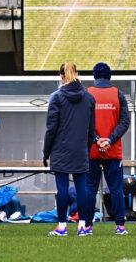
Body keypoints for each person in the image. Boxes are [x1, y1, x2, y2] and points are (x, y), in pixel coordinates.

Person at [43, 62, 95, 237]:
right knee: (83, 189)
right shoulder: (89, 98)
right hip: (80, 150)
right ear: (77, 73)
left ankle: (62, 226)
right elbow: (91, 129)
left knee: (62, 190)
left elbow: (51, 128)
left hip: (60, 150)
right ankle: (82, 226)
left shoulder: (56, 98)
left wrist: (46, 152)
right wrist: (86, 149)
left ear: (61, 76)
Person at [81, 63, 129, 236]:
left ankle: (87, 226)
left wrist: (96, 139)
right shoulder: (118, 94)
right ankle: (120, 226)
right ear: (109, 76)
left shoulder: (87, 94)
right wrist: (110, 140)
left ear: (94, 76)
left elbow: (84, 122)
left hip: (92, 151)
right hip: (113, 151)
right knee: (116, 189)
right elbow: (125, 122)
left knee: (89, 189)